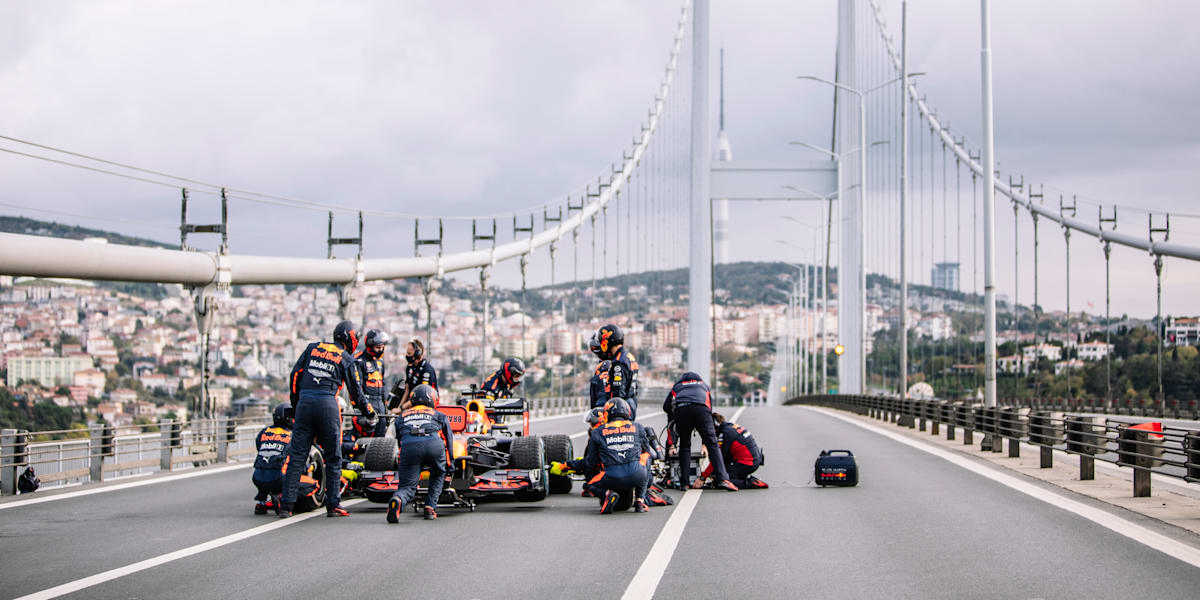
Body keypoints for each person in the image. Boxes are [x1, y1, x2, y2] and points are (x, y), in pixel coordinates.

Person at [280, 319, 375, 518]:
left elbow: (295, 376)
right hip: (328, 405)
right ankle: (333, 505)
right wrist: (368, 412)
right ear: (350, 338)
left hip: (305, 404)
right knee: (333, 457)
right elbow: (356, 392)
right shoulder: (346, 358)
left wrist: (296, 404)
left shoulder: (312, 348)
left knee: (297, 456)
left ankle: (286, 506)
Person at [552, 398, 653, 514]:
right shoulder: (638, 427)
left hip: (612, 477)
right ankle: (640, 501)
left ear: (607, 414)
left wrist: (566, 466)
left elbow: (590, 463)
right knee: (646, 456)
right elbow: (647, 452)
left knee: (590, 485)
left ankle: (606, 494)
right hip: (637, 475)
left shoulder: (597, 432)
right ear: (628, 411)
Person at [662, 372, 738, 492]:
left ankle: (684, 484)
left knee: (685, 446)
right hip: (701, 409)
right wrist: (704, 443)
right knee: (712, 444)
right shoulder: (704, 386)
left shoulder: (677, 386)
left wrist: (672, 442)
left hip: (682, 409)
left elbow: (666, 407)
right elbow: (709, 409)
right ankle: (723, 479)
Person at [387, 384, 453, 523]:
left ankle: (398, 499)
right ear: (432, 399)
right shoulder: (439, 415)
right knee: (438, 474)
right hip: (433, 444)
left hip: (409, 447)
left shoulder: (401, 417)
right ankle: (430, 507)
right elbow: (449, 442)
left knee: (407, 486)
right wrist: (450, 466)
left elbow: (399, 440)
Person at [693, 412, 768, 490]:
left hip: (748, 463)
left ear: (714, 427)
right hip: (753, 460)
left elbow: (718, 459)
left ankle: (751, 483)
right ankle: (739, 477)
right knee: (718, 471)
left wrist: (702, 477)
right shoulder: (729, 426)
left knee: (719, 478)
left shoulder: (725, 434)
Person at [253, 403, 293, 515]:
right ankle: (280, 496)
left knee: (265, 467)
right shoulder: (292, 434)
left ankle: (261, 503)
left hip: (257, 477)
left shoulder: (264, 431)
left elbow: (259, 446)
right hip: (279, 478)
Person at [593, 324, 639, 420]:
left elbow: (618, 392)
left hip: (622, 408)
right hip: (631, 402)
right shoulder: (629, 356)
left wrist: (613, 411)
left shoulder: (619, 362)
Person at [355, 329, 390, 436]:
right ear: (370, 346)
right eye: (378, 347)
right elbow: (356, 386)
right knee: (365, 436)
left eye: (382, 347)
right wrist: (359, 407)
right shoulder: (359, 360)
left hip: (380, 403)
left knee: (381, 436)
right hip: (367, 402)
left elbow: (383, 383)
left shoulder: (380, 362)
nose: (381, 350)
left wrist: (385, 404)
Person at [396, 338, 438, 410]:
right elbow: (407, 390)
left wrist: (401, 409)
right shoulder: (410, 367)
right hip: (411, 407)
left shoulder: (427, 370)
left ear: (417, 354)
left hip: (426, 408)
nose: (407, 355)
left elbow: (422, 396)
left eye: (409, 353)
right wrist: (399, 408)